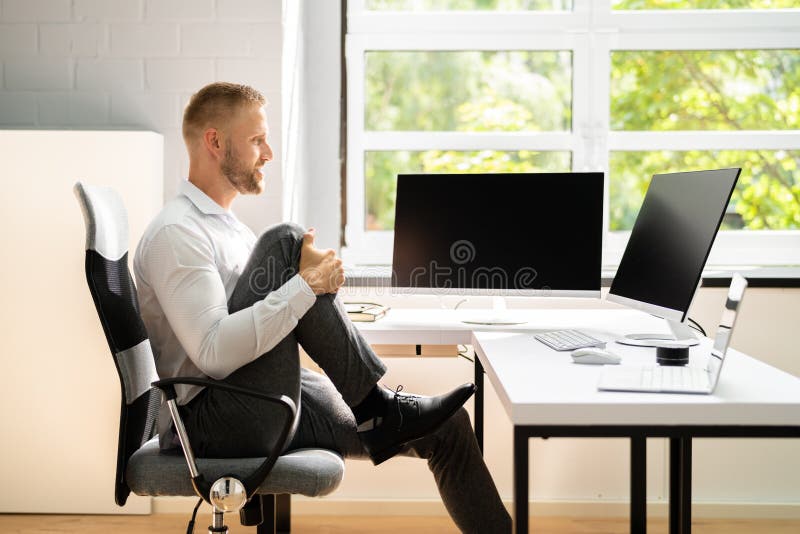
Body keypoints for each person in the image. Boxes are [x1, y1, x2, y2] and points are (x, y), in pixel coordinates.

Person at [133, 81, 512, 533]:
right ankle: (378, 408)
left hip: (255, 399)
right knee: (286, 240)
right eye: (256, 140)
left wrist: (308, 289)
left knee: (447, 427)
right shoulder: (177, 234)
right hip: (211, 421)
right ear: (214, 141)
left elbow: (266, 322)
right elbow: (213, 353)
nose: (268, 153)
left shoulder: (225, 228)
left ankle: (381, 412)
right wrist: (305, 288)